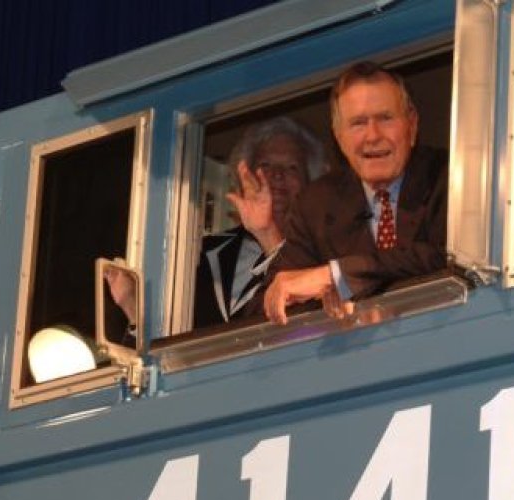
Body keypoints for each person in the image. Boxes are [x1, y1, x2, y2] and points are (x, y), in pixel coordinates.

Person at [258, 61, 448, 325]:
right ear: (339, 137)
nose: (373, 136)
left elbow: (447, 257)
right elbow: (279, 297)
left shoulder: (449, 176)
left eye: (385, 118)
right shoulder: (315, 204)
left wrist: (337, 276)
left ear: (412, 125)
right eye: (358, 123)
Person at [104, 116, 325, 333]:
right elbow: (161, 353)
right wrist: (134, 311)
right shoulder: (194, 256)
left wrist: (268, 234)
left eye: (292, 167)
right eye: (265, 165)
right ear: (242, 179)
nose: (276, 175)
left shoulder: (327, 249)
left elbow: (306, 324)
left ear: (311, 184)